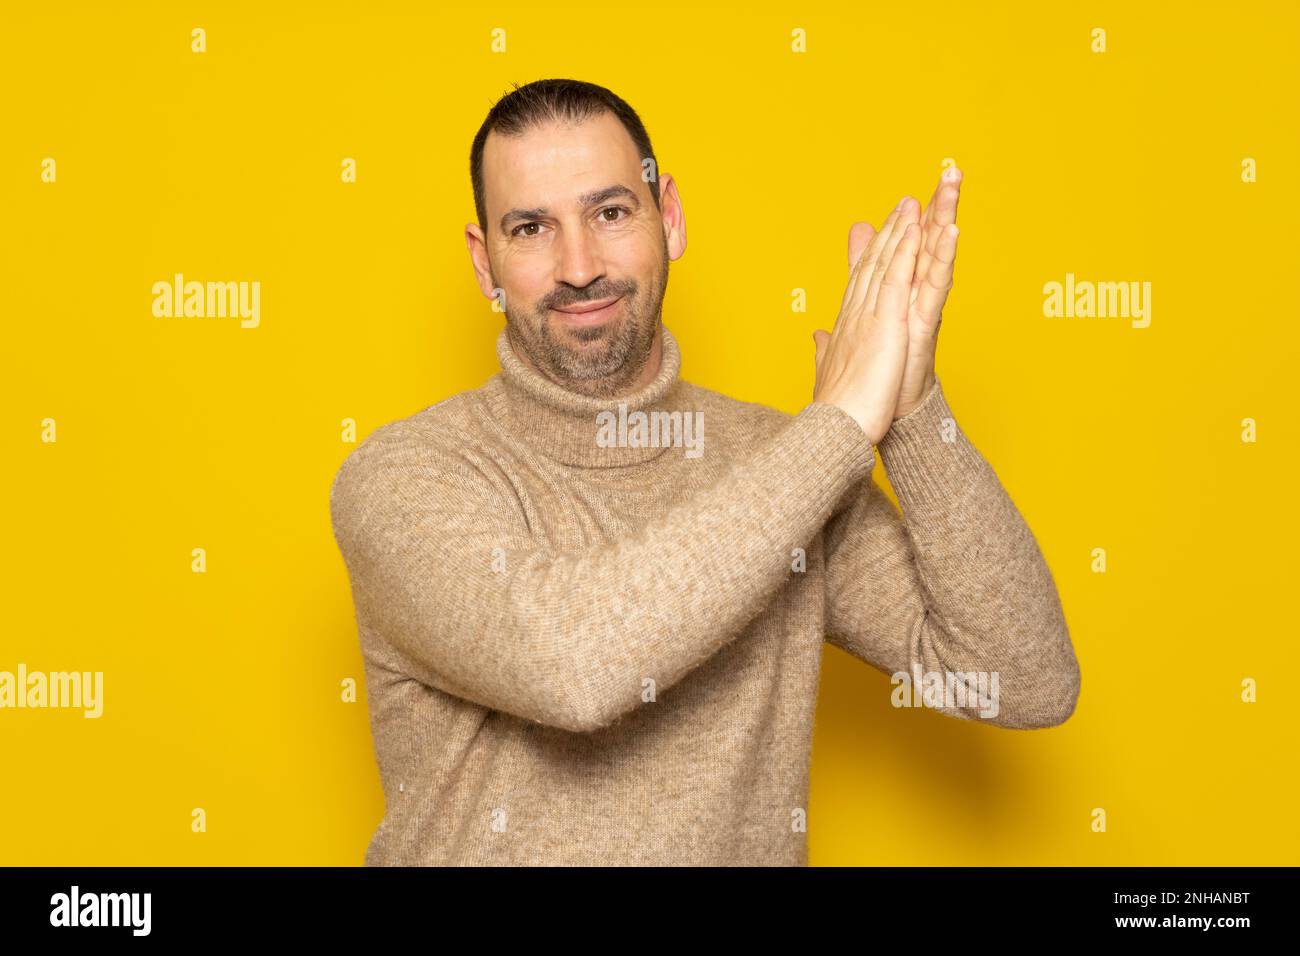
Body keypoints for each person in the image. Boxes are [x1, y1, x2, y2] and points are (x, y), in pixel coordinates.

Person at [329, 78, 1081, 866]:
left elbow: (1021, 680)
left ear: (671, 218)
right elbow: (573, 667)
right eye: (531, 228)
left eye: (610, 212)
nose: (579, 265)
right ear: (486, 263)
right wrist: (842, 428)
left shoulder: (785, 462)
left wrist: (914, 405)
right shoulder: (401, 477)